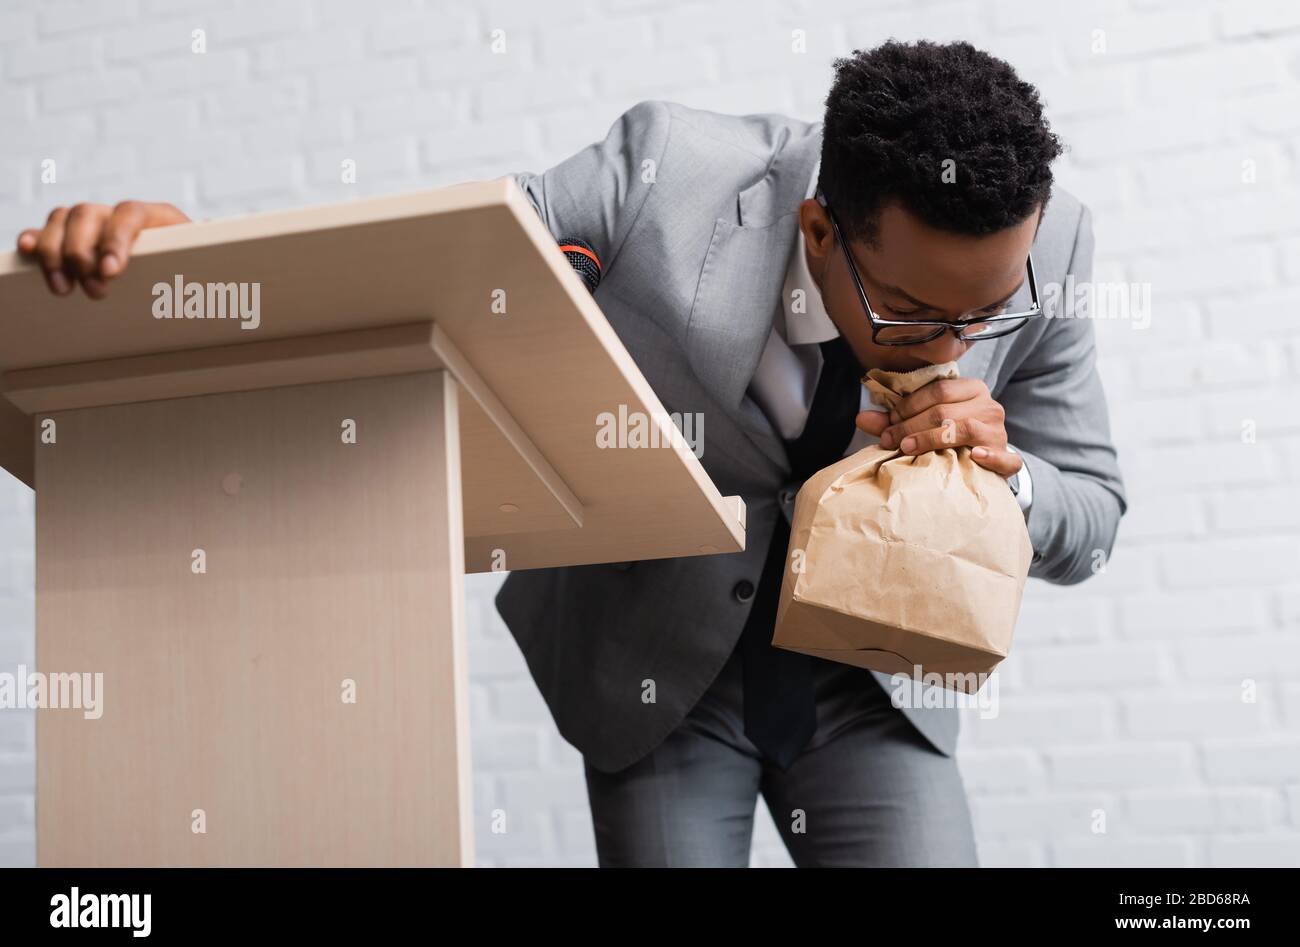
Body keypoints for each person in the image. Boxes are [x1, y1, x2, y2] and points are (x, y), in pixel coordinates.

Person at [17, 40, 1125, 867]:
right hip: (655, 666)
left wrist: (1009, 474)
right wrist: (191, 257)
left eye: (990, 311)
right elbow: (425, 270)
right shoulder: (663, 180)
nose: (960, 340)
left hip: (872, 683)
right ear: (821, 232)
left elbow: (1094, 510)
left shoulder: (1048, 241)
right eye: (916, 314)